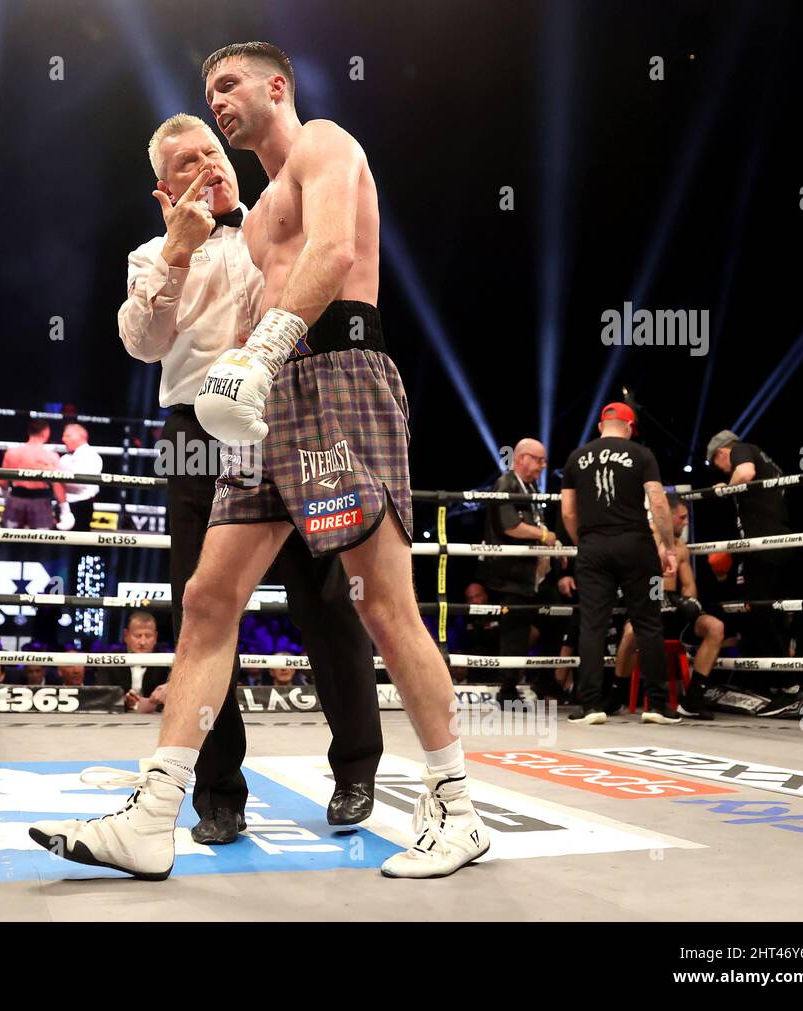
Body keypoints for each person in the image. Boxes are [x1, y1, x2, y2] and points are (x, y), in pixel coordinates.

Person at [32, 42, 485, 880]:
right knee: (207, 598)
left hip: (335, 377)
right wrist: (239, 339)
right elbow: (151, 336)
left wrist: (263, 348)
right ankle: (158, 811)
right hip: (260, 407)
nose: (219, 103)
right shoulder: (256, 205)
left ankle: (456, 807)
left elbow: (336, 253)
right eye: (209, 91)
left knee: (379, 603)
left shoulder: (325, 145)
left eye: (228, 87)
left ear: (277, 86)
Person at [115, 109, 384, 841]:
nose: (209, 164)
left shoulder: (276, 217)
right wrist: (177, 252)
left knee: (329, 597)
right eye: (187, 161)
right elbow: (143, 343)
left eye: (212, 149)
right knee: (203, 611)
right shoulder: (152, 254)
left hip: (296, 416)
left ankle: (358, 770)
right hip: (199, 438)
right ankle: (217, 794)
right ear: (164, 187)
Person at [560, 403, 681, 724]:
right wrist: (668, 547)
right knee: (648, 623)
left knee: (593, 625)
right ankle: (656, 705)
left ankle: (590, 706)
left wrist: (582, 541)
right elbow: (657, 500)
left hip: (593, 546)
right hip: (636, 545)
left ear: (601, 425)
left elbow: (568, 512)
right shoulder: (641, 454)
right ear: (628, 427)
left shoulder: (576, 457)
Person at [706, 430, 800, 715]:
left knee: (759, 611)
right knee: (764, 611)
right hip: (769, 545)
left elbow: (744, 473)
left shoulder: (742, 450)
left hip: (766, 547)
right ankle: (770, 681)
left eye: (716, 464)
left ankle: (788, 686)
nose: (720, 469)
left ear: (722, 453)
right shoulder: (764, 458)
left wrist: (726, 488)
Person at [614, 494, 725, 719]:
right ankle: (617, 695)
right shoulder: (640, 539)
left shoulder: (680, 547)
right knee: (631, 632)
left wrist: (690, 603)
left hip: (673, 607)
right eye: (682, 517)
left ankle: (693, 700)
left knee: (715, 627)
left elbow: (688, 586)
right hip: (645, 602)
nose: (686, 523)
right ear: (666, 514)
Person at [477, 438, 556, 705]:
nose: (543, 466)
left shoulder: (529, 486)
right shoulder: (506, 484)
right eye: (538, 460)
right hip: (509, 574)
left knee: (557, 616)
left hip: (529, 575)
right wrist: (544, 535)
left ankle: (544, 680)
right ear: (521, 458)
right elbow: (511, 526)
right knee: (515, 630)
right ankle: (508, 689)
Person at [0, 420, 70, 530]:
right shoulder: (50, 456)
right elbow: (57, 484)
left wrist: (6, 496)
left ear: (29, 432)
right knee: (40, 542)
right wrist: (65, 510)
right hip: (40, 501)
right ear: (46, 432)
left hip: (17, 499)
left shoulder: (12, 453)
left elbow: (3, 482)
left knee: (10, 540)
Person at [58, 423, 103, 532]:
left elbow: (80, 484)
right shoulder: (65, 458)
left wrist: (58, 480)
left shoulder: (91, 456)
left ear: (80, 436)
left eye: (67, 436)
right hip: (63, 503)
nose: (63, 439)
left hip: (81, 506)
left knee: (78, 544)